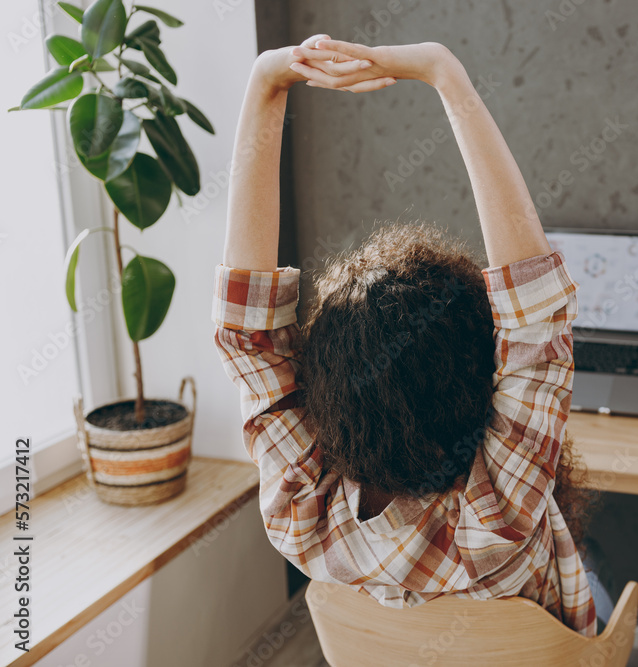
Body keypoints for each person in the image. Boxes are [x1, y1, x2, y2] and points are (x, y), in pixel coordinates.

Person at [212, 35, 611, 636]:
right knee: (599, 575)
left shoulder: (301, 516)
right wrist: (447, 76)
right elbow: (534, 317)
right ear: (482, 377)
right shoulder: (498, 520)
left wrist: (267, 83)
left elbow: (248, 336)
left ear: (325, 391)